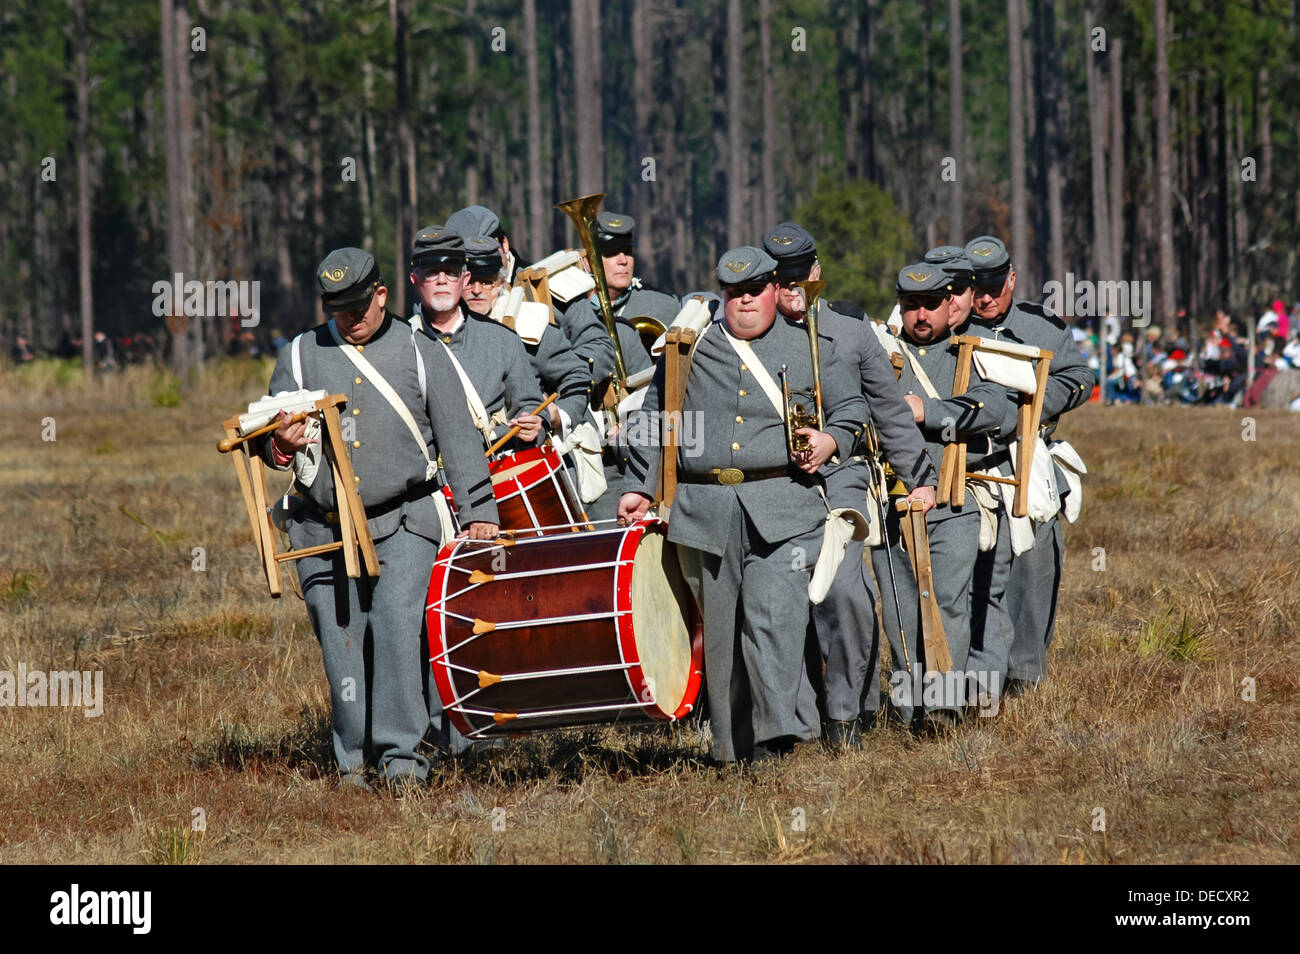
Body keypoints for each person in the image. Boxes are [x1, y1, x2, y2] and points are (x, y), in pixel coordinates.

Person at [260, 247, 499, 794]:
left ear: (383, 295)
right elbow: (270, 442)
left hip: (405, 519)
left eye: (361, 305)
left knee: (395, 632)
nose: (352, 317)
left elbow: (458, 438)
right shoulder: (298, 355)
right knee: (340, 641)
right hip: (322, 527)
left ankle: (402, 760)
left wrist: (479, 512)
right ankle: (351, 763)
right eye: (340, 307)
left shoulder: (420, 351)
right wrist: (280, 443)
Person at [619, 246, 868, 763]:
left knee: (772, 616)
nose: (745, 302)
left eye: (755, 291)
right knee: (723, 637)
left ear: (776, 290)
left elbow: (851, 408)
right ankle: (732, 751)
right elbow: (652, 418)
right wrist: (639, 485)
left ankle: (780, 736)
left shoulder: (808, 347)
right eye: (735, 294)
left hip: (784, 507)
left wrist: (831, 440)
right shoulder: (689, 345)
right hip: (705, 509)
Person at [762, 222, 936, 748]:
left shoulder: (853, 333)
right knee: (782, 600)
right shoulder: (753, 337)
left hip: (842, 479)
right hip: (777, 484)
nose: (793, 295)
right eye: (782, 284)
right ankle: (796, 723)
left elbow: (889, 413)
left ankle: (847, 715)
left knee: (847, 596)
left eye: (800, 282)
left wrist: (919, 479)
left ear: (817, 273)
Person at [875, 263, 1019, 728]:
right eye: (911, 305)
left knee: (948, 603)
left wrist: (928, 411)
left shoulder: (971, 351)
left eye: (930, 305)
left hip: (954, 500)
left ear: (948, 305)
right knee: (900, 609)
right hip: (892, 503)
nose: (921, 315)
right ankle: (907, 708)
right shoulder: (879, 351)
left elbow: (994, 407)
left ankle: (944, 707)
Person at [963, 235, 1093, 692]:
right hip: (970, 464)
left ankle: (1025, 675)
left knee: (1035, 572)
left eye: (995, 286)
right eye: (976, 287)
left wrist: (1033, 400)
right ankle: (977, 676)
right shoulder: (950, 325)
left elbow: (1080, 377)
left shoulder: (1043, 325)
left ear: (1012, 279)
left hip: (1030, 462)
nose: (986, 297)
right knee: (976, 573)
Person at [560, 210, 680, 521]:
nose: (624, 260)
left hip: (646, 454)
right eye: (612, 254)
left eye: (628, 252)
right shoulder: (569, 313)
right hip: (589, 456)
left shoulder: (662, 306)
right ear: (588, 262)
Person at [407, 225, 546, 454]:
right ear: (415, 279)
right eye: (432, 272)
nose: (442, 280)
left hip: (496, 474)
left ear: (464, 278)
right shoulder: (400, 344)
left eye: (451, 271)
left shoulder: (503, 340)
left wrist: (533, 425)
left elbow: (529, 404)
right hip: (432, 483)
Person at [461, 235, 591, 443]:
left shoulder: (529, 324)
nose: (477, 290)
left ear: (501, 283)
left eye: (486, 282)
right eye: (470, 282)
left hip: (522, 456)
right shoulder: (441, 331)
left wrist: (557, 416)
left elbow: (577, 374)